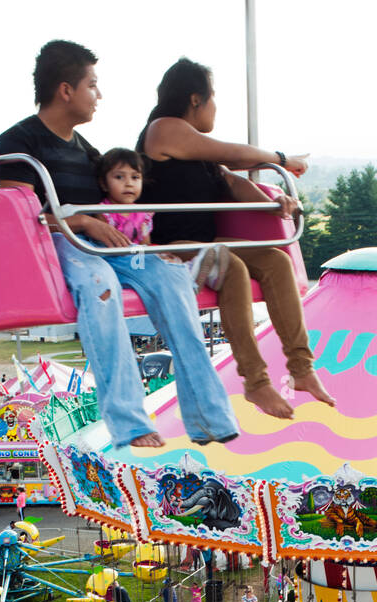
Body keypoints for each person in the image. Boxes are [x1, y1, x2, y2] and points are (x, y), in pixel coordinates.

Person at [0, 40, 237, 451]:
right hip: (59, 243)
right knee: (100, 286)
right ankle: (128, 422)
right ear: (66, 90)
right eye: (93, 85)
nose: (99, 96)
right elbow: (22, 216)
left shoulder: (87, 151)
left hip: (105, 240)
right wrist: (85, 220)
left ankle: (208, 416)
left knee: (172, 277)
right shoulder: (20, 143)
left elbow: (118, 200)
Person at [139, 58, 334, 422]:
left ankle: (301, 366)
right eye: (214, 99)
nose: (216, 108)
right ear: (196, 99)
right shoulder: (163, 130)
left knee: (276, 261)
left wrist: (276, 203)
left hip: (206, 242)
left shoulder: (197, 150)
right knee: (233, 267)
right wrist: (282, 159)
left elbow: (230, 179)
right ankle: (255, 379)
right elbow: (232, 154)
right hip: (168, 249)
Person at [95, 145, 226, 292]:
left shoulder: (142, 214)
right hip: (119, 262)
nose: (129, 183)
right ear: (103, 184)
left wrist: (158, 253)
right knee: (155, 263)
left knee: (165, 257)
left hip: (138, 258)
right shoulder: (103, 211)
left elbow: (145, 244)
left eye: (135, 177)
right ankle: (190, 273)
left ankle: (191, 271)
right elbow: (105, 245)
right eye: (119, 177)